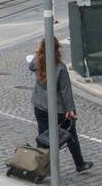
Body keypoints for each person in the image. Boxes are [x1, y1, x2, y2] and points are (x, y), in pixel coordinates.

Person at [29, 37, 93, 174]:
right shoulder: (61, 68)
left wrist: (37, 53)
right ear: (58, 49)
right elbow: (65, 91)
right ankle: (79, 164)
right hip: (57, 109)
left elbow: (30, 65)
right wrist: (70, 110)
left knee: (43, 136)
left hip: (39, 106)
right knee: (70, 135)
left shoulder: (37, 62)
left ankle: (39, 167)